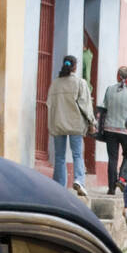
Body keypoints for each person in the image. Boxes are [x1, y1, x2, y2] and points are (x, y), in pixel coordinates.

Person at [46, 55, 96, 193]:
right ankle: (79, 180)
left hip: (58, 123)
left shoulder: (55, 84)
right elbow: (85, 105)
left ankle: (59, 187)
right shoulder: (80, 83)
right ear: (75, 66)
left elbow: (49, 104)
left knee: (59, 156)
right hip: (75, 123)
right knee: (77, 154)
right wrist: (92, 121)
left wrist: (51, 124)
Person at [101, 66, 127, 195]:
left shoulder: (110, 90)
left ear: (118, 76)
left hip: (110, 129)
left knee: (112, 158)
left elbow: (104, 106)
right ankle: (121, 178)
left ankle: (111, 188)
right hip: (126, 131)